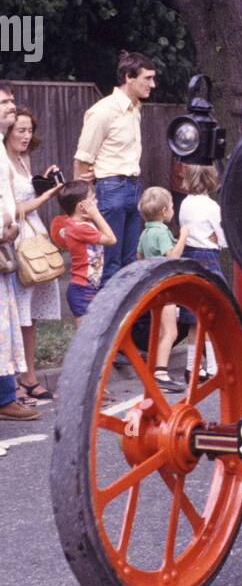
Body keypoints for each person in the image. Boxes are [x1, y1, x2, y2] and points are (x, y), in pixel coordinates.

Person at [73, 51, 157, 286]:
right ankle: (107, 321)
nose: (153, 84)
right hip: (110, 188)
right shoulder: (103, 111)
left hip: (132, 187)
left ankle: (127, 321)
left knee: (129, 263)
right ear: (129, 77)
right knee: (109, 264)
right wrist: (84, 201)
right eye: (147, 78)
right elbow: (83, 157)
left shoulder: (135, 109)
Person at [4, 107, 62, 403]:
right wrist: (45, 197)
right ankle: (14, 380)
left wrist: (43, 182)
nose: (26, 136)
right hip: (17, 238)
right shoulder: (4, 163)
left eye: (29, 131)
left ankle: (29, 376)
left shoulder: (23, 160)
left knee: (32, 315)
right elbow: (12, 209)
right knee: (17, 314)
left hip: (34, 234)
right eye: (20, 130)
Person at [0, 85, 38, 421]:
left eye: (11, 100)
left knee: (6, 323)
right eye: (4, 102)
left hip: (6, 242)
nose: (11, 106)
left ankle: (5, 396)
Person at [136, 186, 189, 394]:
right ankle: (161, 372)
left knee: (159, 330)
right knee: (171, 331)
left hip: (151, 286)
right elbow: (173, 256)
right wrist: (183, 236)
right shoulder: (161, 232)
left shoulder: (146, 232)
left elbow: (139, 258)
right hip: (165, 287)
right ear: (165, 211)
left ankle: (156, 367)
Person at [179, 165, 226, 382]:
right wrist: (221, 240)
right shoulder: (212, 206)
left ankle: (193, 368)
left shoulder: (185, 204)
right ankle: (214, 367)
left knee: (193, 319)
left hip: (189, 256)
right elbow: (221, 235)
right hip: (208, 257)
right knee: (211, 313)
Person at [50, 181, 117, 323]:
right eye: (93, 200)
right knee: (87, 339)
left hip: (86, 287)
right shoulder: (80, 229)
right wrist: (96, 215)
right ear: (81, 207)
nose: (97, 202)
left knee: (91, 336)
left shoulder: (75, 224)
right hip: (83, 290)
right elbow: (111, 239)